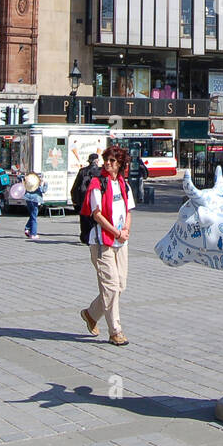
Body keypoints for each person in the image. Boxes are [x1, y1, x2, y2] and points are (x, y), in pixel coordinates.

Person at [80, 145, 133, 346]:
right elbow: (97, 214)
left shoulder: (123, 184)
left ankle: (91, 314)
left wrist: (125, 230)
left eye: (112, 161)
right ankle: (115, 331)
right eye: (106, 160)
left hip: (121, 242)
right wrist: (116, 232)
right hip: (102, 241)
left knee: (120, 286)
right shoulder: (97, 183)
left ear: (120, 164)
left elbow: (128, 210)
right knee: (110, 286)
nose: (108, 164)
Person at [23, 171, 44, 240]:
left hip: (28, 199)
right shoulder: (38, 185)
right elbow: (44, 190)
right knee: (34, 216)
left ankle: (27, 228)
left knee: (32, 215)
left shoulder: (28, 182)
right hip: (35, 200)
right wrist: (45, 184)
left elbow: (21, 179)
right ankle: (33, 234)